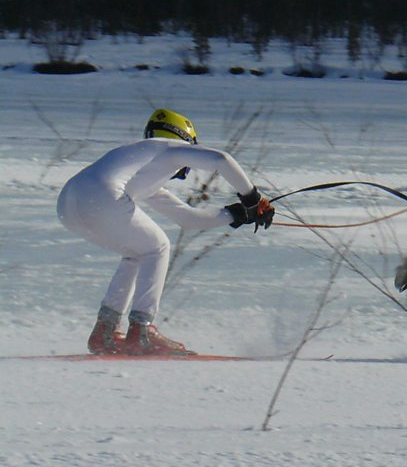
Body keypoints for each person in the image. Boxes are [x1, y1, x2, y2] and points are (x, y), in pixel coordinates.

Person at [57, 109, 275, 356]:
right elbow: (221, 160)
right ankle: (142, 331)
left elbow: (187, 218)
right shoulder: (168, 146)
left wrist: (235, 214)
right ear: (185, 140)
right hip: (101, 196)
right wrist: (252, 199)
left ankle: (104, 332)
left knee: (138, 253)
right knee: (157, 247)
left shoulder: (144, 169)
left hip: (70, 202)